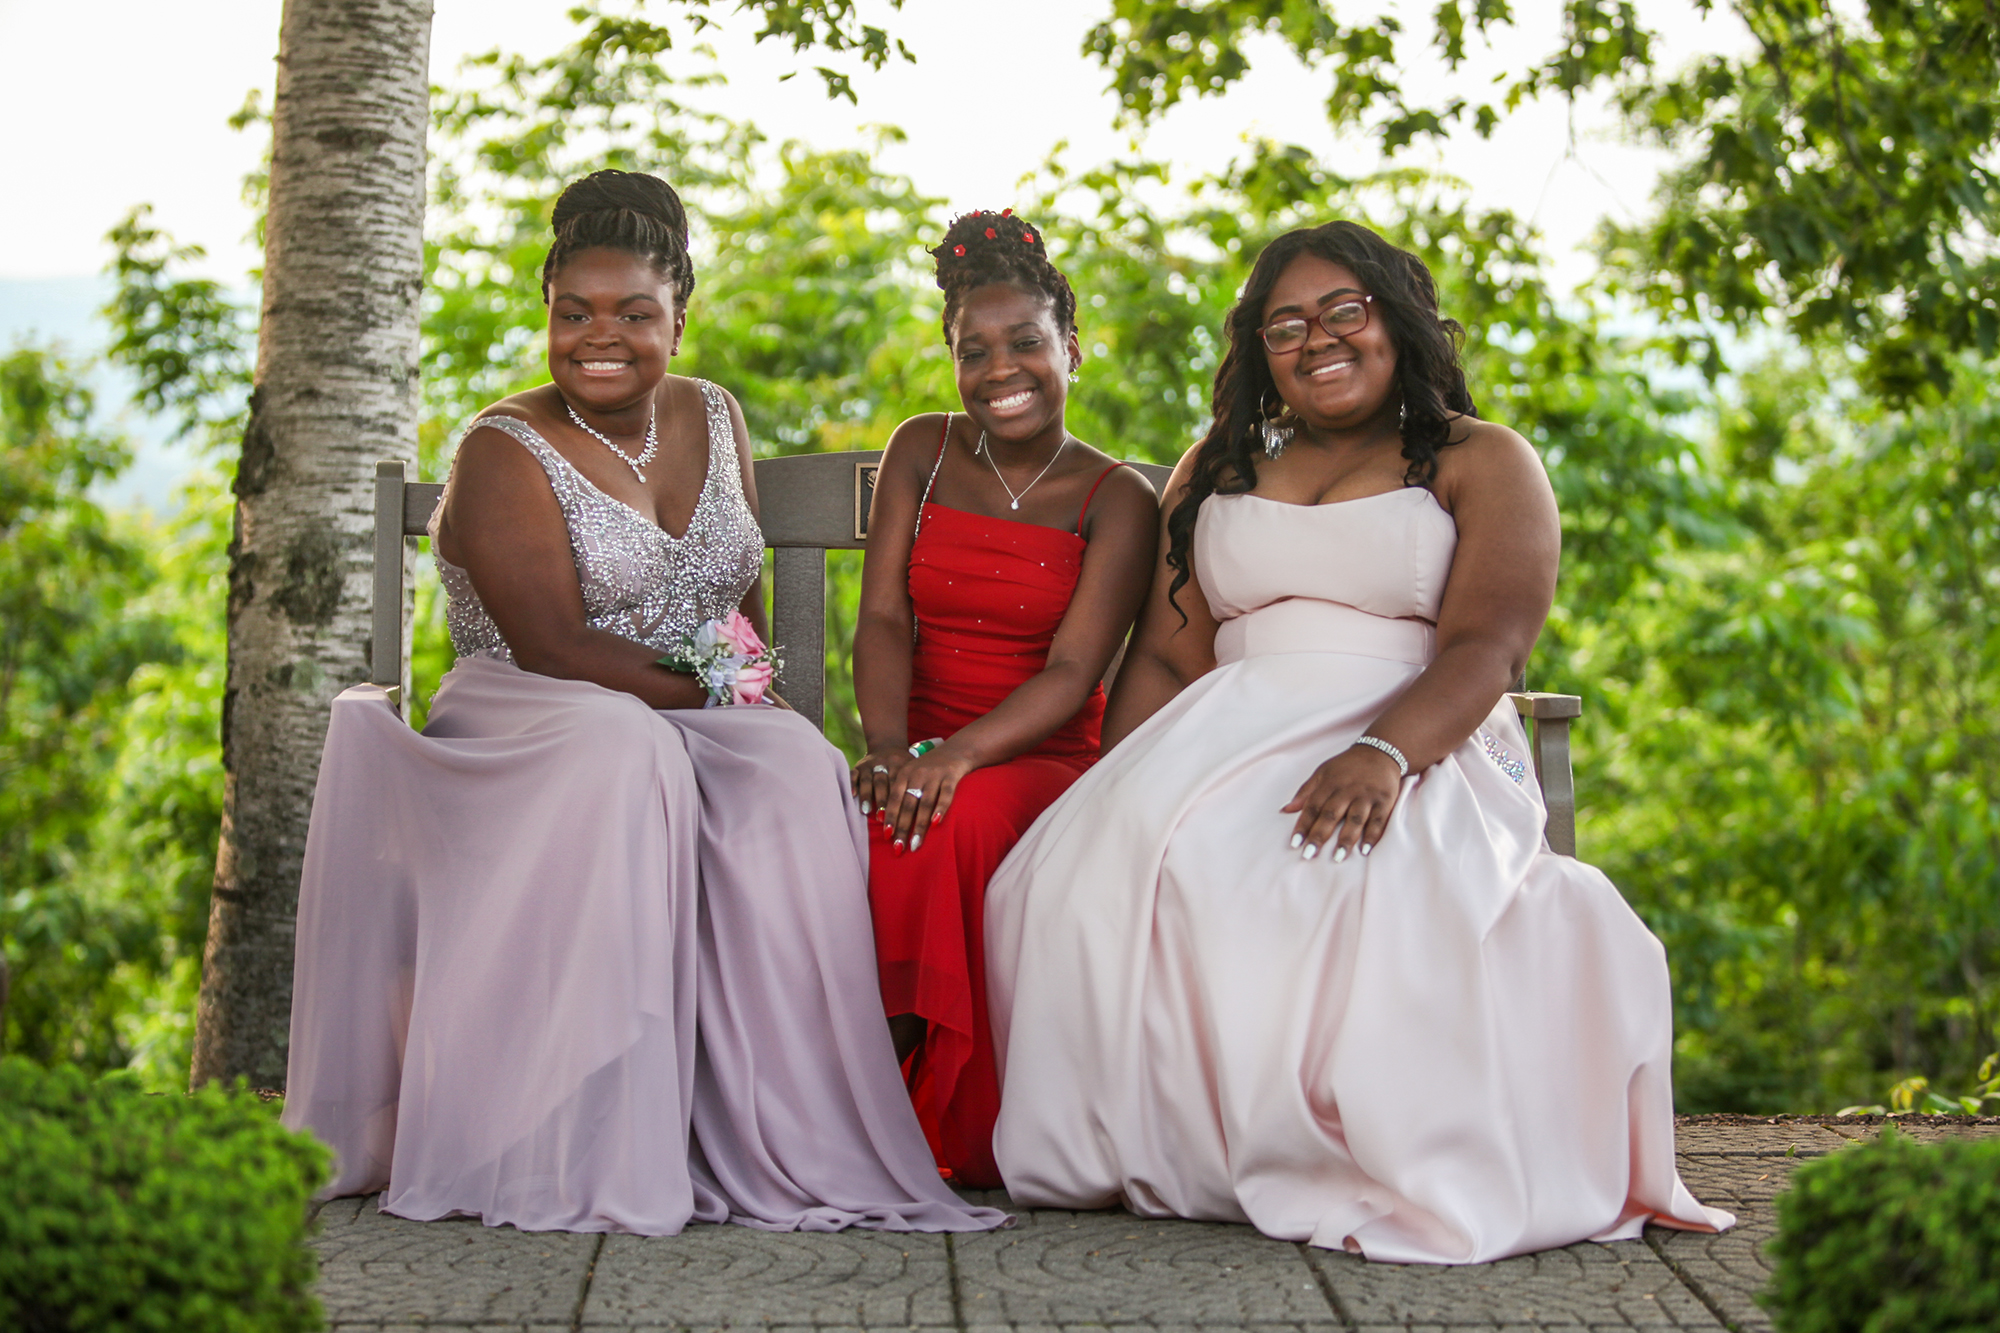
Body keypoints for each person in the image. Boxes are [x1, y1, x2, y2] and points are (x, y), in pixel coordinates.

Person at [983, 221, 1733, 1263]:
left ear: (1397, 321)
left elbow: (1487, 644)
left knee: (1340, 879)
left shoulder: (1480, 458)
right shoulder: (1214, 463)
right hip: (1222, 725)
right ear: (1256, 347)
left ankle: (1335, 1148)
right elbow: (1163, 654)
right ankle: (1175, 1151)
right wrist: (1119, 792)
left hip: (1412, 724)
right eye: (1285, 323)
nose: (1317, 339)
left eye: (1346, 311)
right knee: (1069, 876)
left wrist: (1384, 754)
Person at [281, 170, 1005, 1238]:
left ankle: (779, 1126)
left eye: (632, 314)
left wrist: (754, 692)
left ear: (679, 314)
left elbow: (738, 587)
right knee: (630, 749)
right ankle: (590, 1132)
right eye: (571, 314)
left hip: (665, 714)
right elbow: (554, 645)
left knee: (796, 767)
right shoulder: (500, 449)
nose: (597, 338)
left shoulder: (713, 413)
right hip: (524, 724)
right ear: (547, 313)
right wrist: (726, 688)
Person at [849, 211, 1157, 1187]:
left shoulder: (1116, 499)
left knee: (953, 816)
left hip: (1040, 754)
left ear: (1071, 346)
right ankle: (848, 1090)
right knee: (859, 811)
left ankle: (901, 1106)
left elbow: (1073, 676)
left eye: (1024, 342)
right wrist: (894, 747)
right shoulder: (920, 450)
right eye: (970, 349)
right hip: (924, 737)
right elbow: (884, 619)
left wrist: (952, 759)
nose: (999, 368)